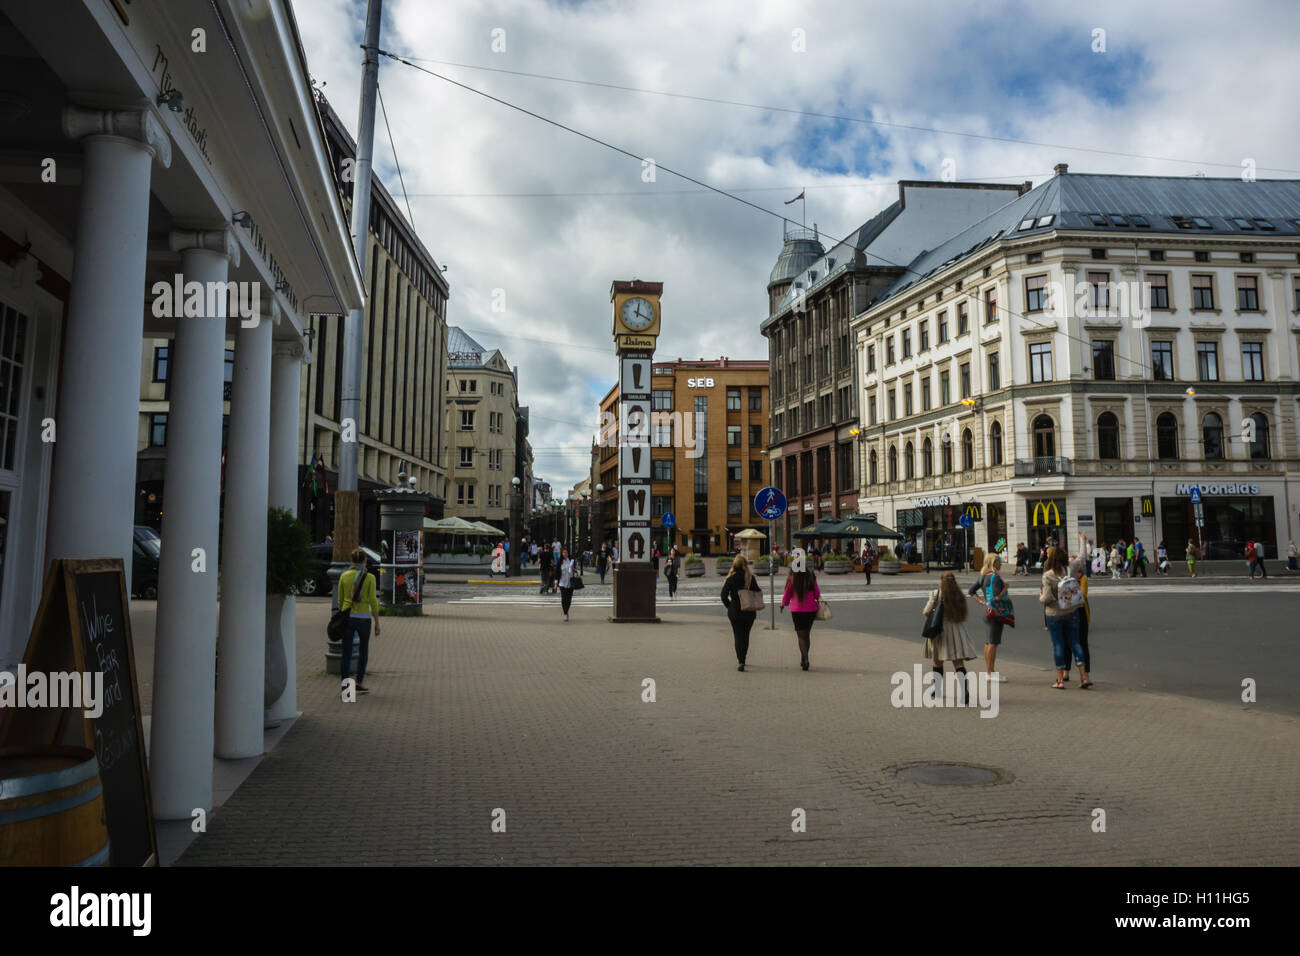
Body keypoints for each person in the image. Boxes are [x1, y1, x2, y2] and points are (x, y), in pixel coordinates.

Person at [923, 572, 980, 701]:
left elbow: (926, 612)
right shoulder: (958, 595)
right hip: (956, 630)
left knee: (937, 661)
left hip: (940, 631)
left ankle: (937, 689)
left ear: (941, 582)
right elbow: (963, 613)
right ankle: (964, 691)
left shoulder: (936, 594)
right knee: (958, 662)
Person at [1040, 547, 1090, 689]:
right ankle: (1083, 677)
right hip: (1071, 610)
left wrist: (1041, 598)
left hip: (1054, 613)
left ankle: (1060, 680)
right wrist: (1083, 540)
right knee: (1076, 643)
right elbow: (1081, 557)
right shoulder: (1071, 569)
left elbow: (1047, 597)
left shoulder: (1048, 575)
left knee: (1058, 645)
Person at [338, 548, 380, 695]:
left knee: (346, 654)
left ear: (352, 560)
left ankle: (345, 688)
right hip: (363, 619)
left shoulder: (344, 576)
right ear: (364, 561)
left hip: (348, 618)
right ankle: (359, 682)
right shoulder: (370, 578)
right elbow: (373, 601)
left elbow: (340, 600)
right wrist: (377, 622)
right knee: (363, 651)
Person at [968, 553, 1009, 683]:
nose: (1001, 564)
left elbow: (971, 591)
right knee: (993, 643)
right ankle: (990, 673)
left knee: (988, 642)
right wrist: (1005, 589)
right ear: (993, 563)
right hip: (996, 612)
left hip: (988, 611)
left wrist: (981, 601)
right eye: (998, 562)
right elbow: (997, 597)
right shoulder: (995, 577)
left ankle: (989, 671)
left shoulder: (983, 576)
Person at [721, 553, 763, 671]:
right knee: (746, 635)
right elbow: (758, 592)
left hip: (735, 611)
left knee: (737, 635)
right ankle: (743, 658)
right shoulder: (750, 578)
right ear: (745, 564)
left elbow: (723, 595)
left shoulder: (731, 578)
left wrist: (730, 606)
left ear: (734, 565)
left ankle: (741, 661)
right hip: (749, 611)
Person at [780, 564, 821, 671]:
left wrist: (783, 605)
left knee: (801, 636)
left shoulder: (793, 578)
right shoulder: (811, 577)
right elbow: (817, 594)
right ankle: (804, 659)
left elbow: (787, 594)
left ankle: (805, 659)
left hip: (797, 610)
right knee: (806, 635)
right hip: (811, 610)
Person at [1063, 555, 1092, 684]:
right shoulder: (1065, 579)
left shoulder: (1083, 578)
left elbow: (1083, 595)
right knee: (1066, 644)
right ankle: (1065, 672)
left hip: (1080, 612)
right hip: (1069, 611)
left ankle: (1085, 674)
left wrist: (1071, 593)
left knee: (1082, 643)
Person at [557, 547, 576, 622]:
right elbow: (557, 573)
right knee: (563, 598)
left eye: (566, 552)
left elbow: (574, 572)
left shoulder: (571, 561)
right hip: (562, 582)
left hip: (570, 582)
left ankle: (566, 611)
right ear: (562, 553)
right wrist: (556, 583)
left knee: (569, 599)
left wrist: (573, 568)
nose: (565, 554)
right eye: (564, 552)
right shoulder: (560, 562)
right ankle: (565, 613)